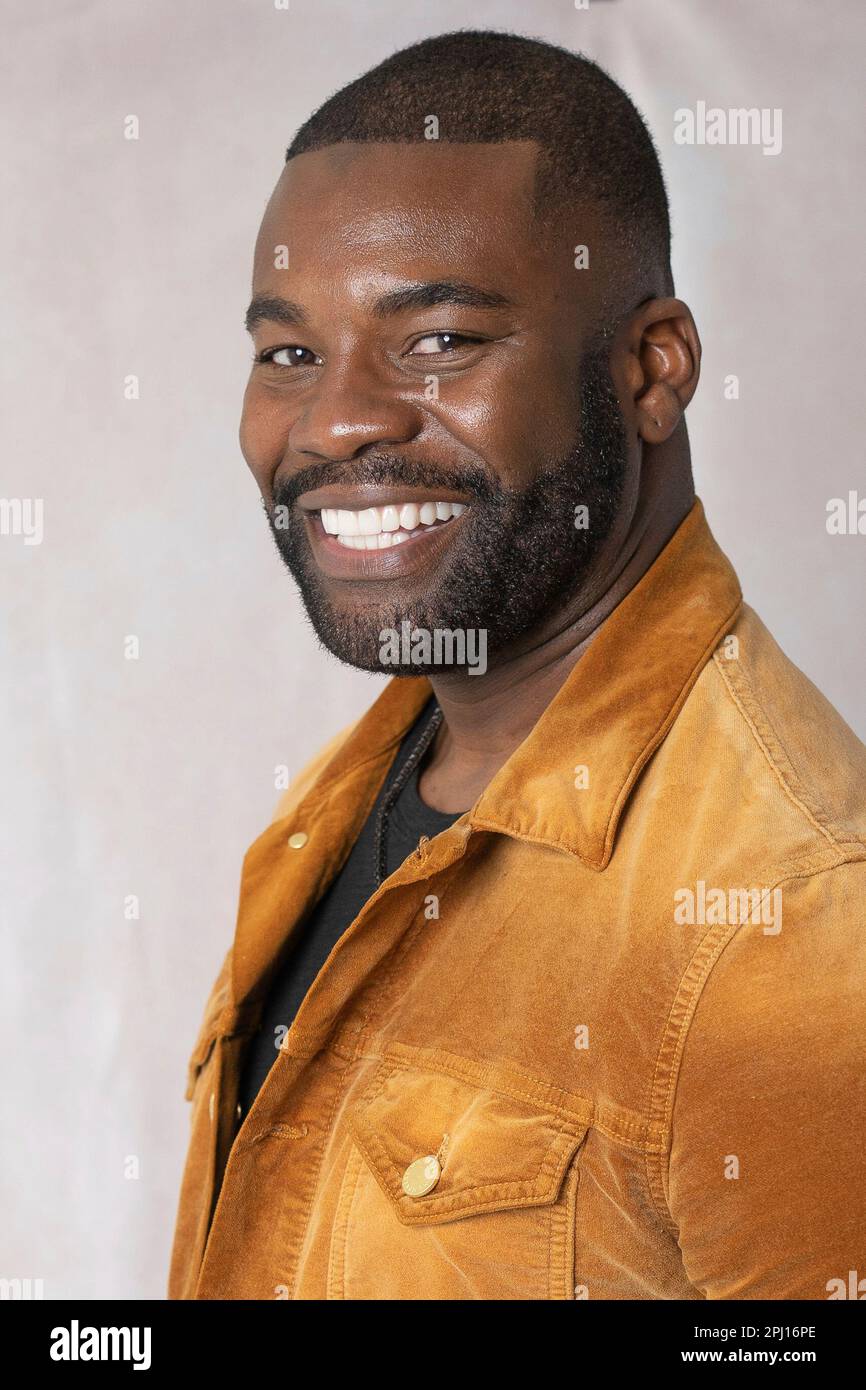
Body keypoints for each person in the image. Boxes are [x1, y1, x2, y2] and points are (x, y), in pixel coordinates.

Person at [168, 30, 866, 1301]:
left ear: (652, 366)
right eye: (288, 353)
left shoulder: (787, 921)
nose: (335, 420)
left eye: (436, 339)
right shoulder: (347, 794)